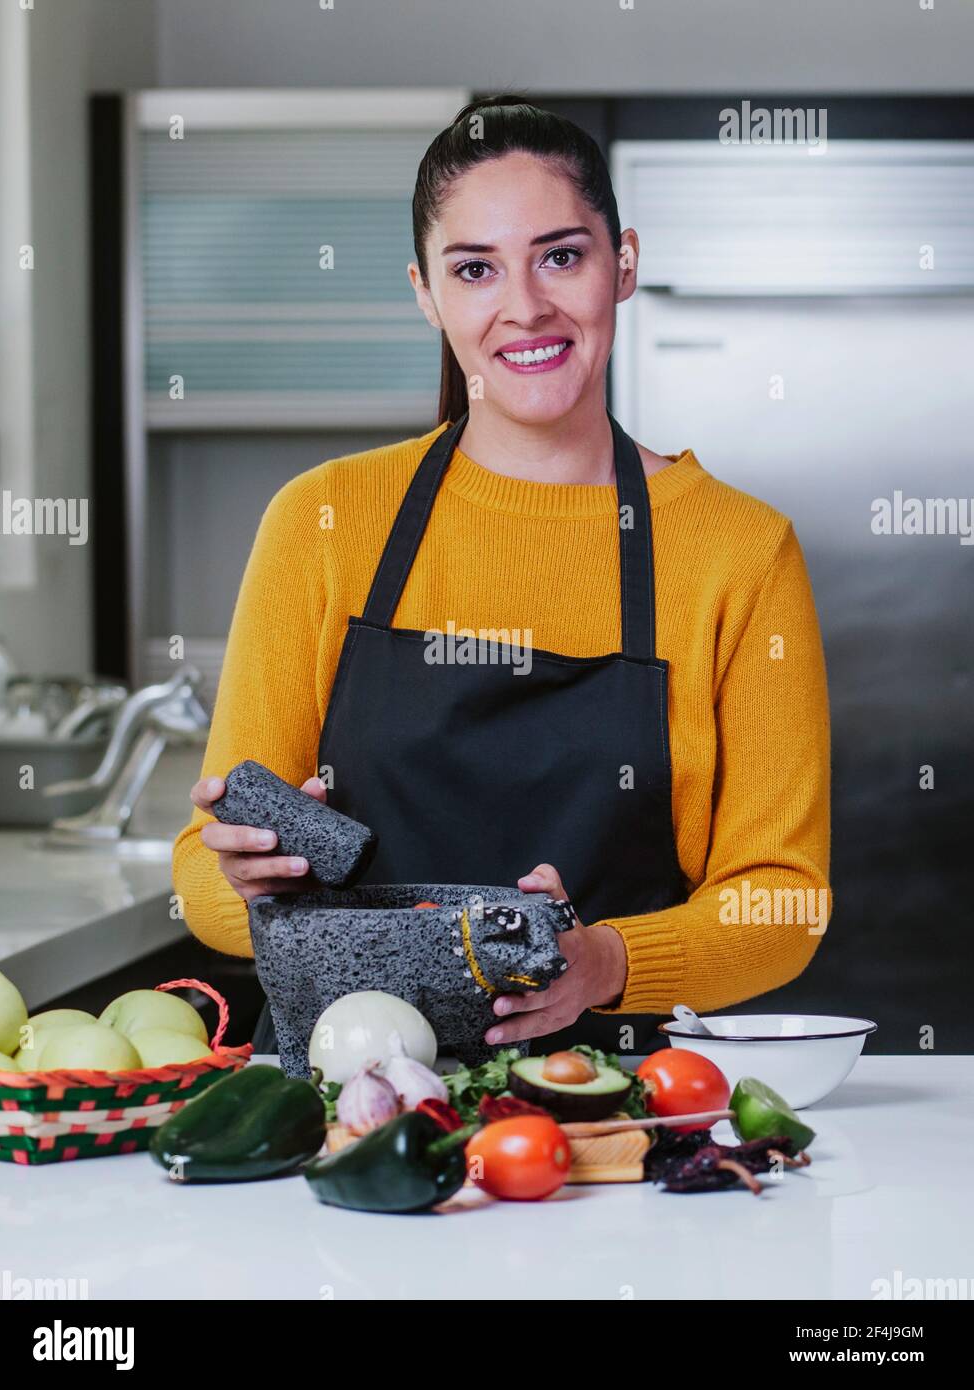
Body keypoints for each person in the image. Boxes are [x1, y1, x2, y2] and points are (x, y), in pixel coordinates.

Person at [172, 94, 831, 1057]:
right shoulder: (323, 522)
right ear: (424, 294)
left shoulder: (738, 551)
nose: (524, 306)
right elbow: (199, 870)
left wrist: (603, 961)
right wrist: (254, 883)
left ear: (625, 264)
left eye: (561, 255)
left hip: (611, 1105)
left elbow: (783, 903)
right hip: (347, 1099)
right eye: (474, 269)